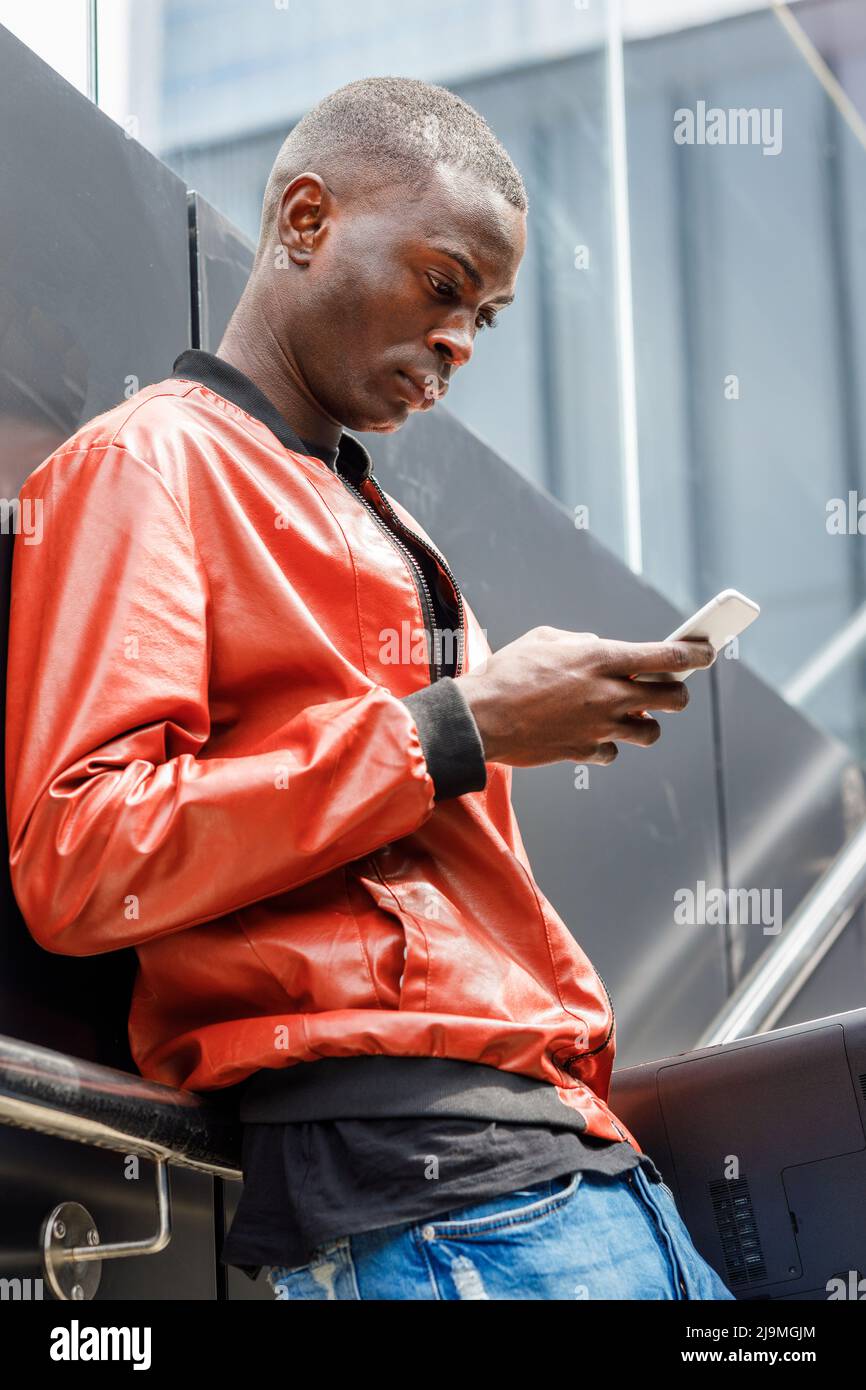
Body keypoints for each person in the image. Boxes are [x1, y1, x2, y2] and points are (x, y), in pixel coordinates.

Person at [5, 75, 734, 1301]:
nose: (457, 339)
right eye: (443, 284)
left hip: (576, 1176)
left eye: (484, 316)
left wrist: (492, 722)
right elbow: (80, 852)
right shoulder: (148, 462)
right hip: (441, 1199)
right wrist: (463, 724)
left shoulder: (372, 512)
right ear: (304, 221)